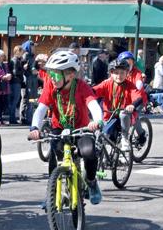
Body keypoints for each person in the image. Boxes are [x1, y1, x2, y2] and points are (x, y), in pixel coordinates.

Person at [26, 50, 105, 204]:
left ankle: (91, 182)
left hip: (82, 128)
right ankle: (52, 193)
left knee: (88, 152)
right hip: (59, 128)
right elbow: (41, 109)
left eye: (56, 74)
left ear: (70, 75)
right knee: (55, 157)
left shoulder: (81, 86)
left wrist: (97, 121)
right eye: (50, 74)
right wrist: (34, 127)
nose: (52, 78)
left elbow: (94, 106)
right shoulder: (51, 85)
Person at [93, 58, 144, 145]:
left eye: (122, 73)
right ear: (111, 74)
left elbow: (137, 97)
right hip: (109, 116)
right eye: (116, 73)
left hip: (126, 115)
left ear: (127, 73)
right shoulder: (106, 84)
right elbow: (94, 90)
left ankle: (125, 138)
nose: (119, 76)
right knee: (101, 136)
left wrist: (132, 105)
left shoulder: (130, 85)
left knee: (123, 114)